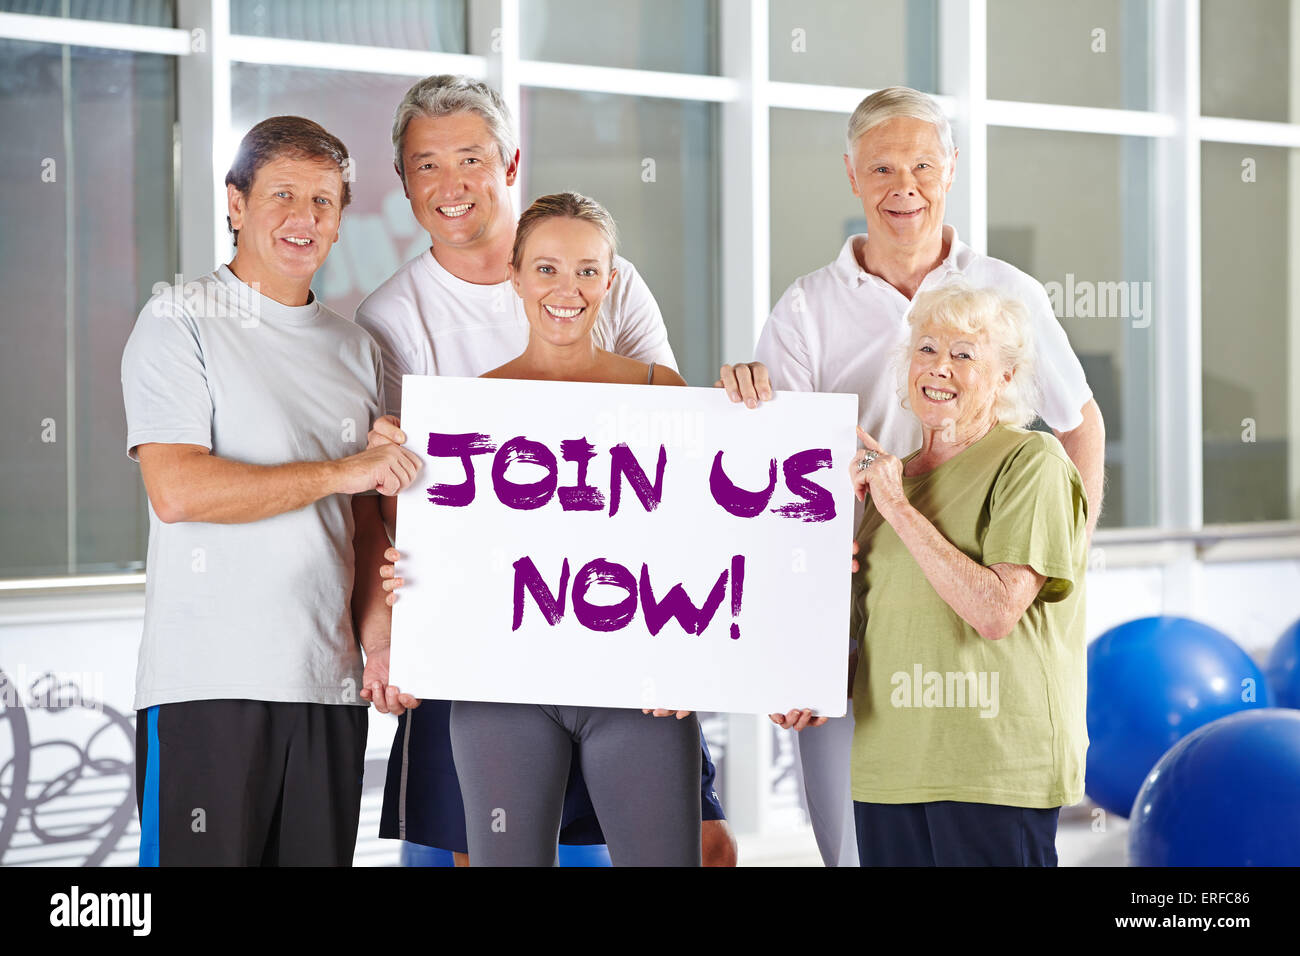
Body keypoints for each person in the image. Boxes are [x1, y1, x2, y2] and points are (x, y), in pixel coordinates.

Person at [353, 75, 736, 866]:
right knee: (475, 847)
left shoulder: (610, 280)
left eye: (471, 159)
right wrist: (387, 615)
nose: (451, 184)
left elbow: (680, 463)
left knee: (697, 844)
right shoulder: (390, 320)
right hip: (487, 628)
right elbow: (385, 498)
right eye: (427, 165)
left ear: (509, 163)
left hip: (624, 622)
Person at [726, 86, 1104, 866]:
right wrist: (791, 645)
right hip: (859, 598)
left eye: (924, 165)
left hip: (976, 593)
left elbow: (1079, 426)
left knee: (980, 818)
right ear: (852, 175)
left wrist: (1060, 561)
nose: (906, 186)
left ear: (952, 169)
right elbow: (774, 477)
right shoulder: (806, 309)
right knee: (858, 840)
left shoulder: (1011, 293)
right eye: (883, 167)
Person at [122, 116, 422, 866]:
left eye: (324, 201)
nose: (304, 218)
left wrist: (379, 642)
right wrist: (342, 469)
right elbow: (179, 490)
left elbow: (362, 526)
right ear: (235, 202)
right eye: (282, 194)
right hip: (208, 686)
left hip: (325, 688)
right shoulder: (179, 317)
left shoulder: (356, 348)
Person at [846, 282, 1088, 865]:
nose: (939, 368)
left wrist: (899, 508)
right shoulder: (884, 483)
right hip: (889, 772)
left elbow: (996, 610)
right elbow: (869, 641)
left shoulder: (1032, 461)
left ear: (1005, 378)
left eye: (964, 354)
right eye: (927, 349)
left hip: (994, 769)